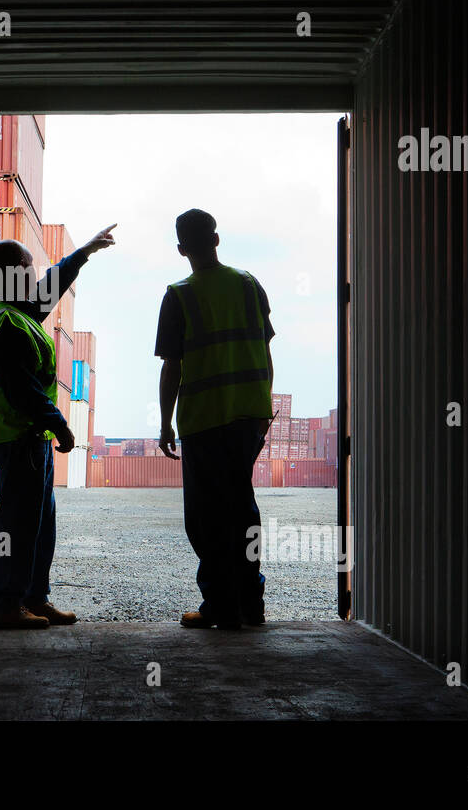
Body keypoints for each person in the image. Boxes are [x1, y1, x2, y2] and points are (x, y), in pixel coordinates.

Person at [0, 224, 117, 628]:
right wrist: (62, 425)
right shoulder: (6, 323)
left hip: (29, 438)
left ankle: (34, 599)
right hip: (17, 436)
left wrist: (84, 252)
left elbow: (50, 287)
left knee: (39, 525)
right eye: (27, 267)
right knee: (17, 526)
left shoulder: (20, 311)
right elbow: (24, 392)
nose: (34, 274)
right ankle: (4, 604)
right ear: (9, 274)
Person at [155, 209, 275, 629]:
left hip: (204, 422)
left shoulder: (178, 294)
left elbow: (173, 366)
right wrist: (263, 407)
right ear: (217, 239)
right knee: (243, 511)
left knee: (206, 519)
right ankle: (251, 603)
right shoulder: (248, 284)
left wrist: (166, 422)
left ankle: (221, 605)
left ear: (181, 248)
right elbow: (265, 350)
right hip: (247, 419)